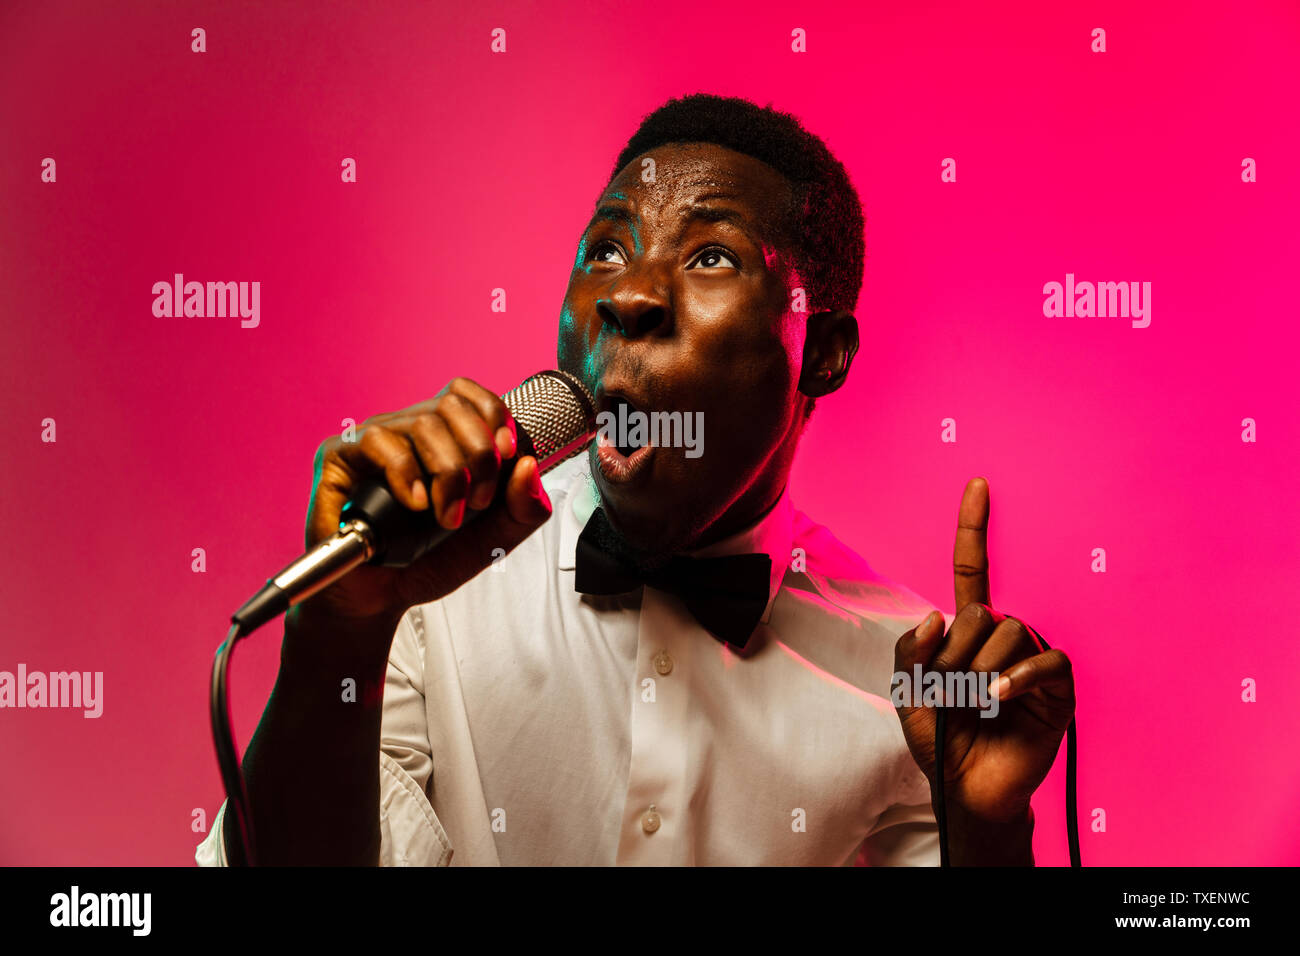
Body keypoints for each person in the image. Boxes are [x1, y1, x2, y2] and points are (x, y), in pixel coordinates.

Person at [197, 93, 1074, 867]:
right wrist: (337, 632)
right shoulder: (422, 585)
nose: (630, 296)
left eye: (711, 258)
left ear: (825, 353)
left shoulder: (914, 679)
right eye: (607, 251)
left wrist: (987, 838)